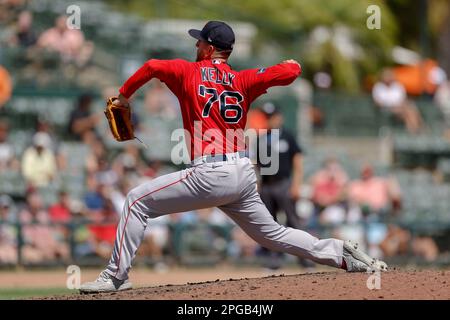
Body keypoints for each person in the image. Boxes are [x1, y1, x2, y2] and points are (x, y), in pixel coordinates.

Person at [80, 21, 387, 293]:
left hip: (210, 173)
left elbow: (150, 67)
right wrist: (292, 62)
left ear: (209, 48)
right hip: (242, 173)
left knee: (136, 200)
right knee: (273, 235)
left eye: (199, 41)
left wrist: (123, 94)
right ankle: (342, 253)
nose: (196, 45)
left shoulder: (187, 72)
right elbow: (291, 71)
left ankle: (115, 277)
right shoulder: (243, 80)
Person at [254, 102, 305, 269]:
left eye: (272, 116)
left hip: (284, 184)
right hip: (267, 186)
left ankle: (304, 259)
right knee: (269, 224)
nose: (270, 120)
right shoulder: (261, 138)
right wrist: (257, 185)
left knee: (293, 221)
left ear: (279, 117)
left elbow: (297, 162)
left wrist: (296, 185)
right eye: (267, 117)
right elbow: (256, 165)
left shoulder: (287, 136)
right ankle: (274, 260)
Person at [372, 70, 423, 134]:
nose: (388, 78)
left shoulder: (398, 86)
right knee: (409, 112)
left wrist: (402, 105)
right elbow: (377, 102)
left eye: (389, 76)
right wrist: (390, 106)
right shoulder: (378, 87)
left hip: (400, 108)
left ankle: (414, 130)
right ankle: (417, 130)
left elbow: (404, 99)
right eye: (386, 76)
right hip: (386, 109)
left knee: (410, 110)